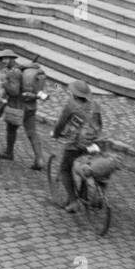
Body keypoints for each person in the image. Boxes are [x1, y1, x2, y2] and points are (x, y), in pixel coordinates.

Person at [52, 80, 104, 211]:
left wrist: (56, 134)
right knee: (87, 166)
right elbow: (100, 125)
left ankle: (74, 201)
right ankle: (84, 194)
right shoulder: (95, 105)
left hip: (76, 143)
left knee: (65, 169)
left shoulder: (71, 105)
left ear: (74, 93)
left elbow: (61, 123)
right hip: (93, 142)